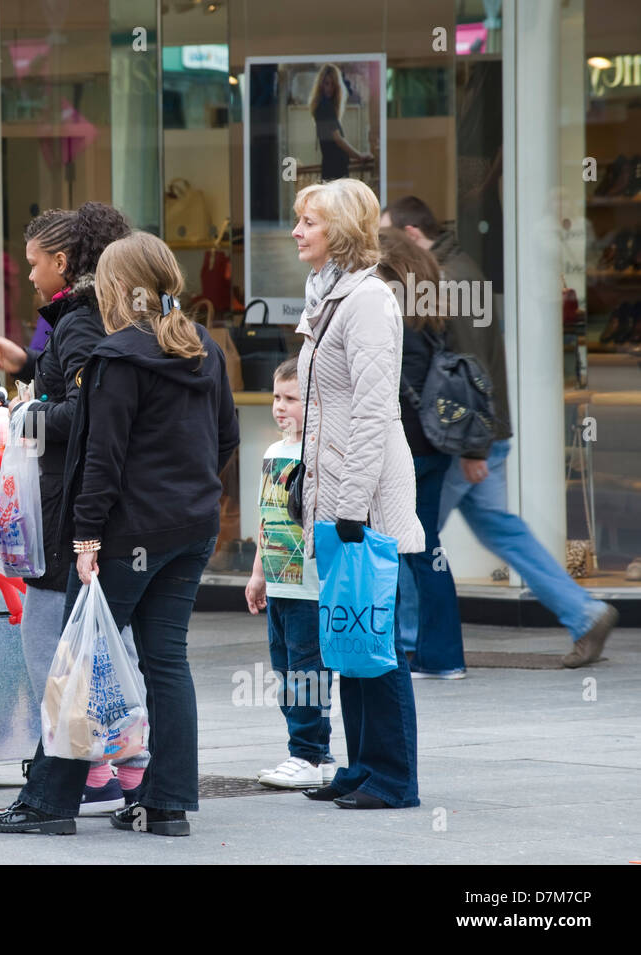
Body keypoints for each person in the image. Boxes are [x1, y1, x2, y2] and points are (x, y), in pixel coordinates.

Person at [0, 231, 240, 836]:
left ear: (119, 289)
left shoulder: (117, 357)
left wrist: (86, 539)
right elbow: (225, 437)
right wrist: (194, 486)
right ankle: (165, 803)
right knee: (166, 660)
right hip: (191, 526)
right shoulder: (202, 345)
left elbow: (102, 459)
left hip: (127, 534)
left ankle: (49, 802)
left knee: (78, 659)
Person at [383, 196, 618, 667]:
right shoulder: (452, 269)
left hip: (462, 440)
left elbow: (465, 373)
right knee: (499, 532)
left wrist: (476, 446)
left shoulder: (445, 279)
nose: (379, 251)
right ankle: (584, 612)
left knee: (410, 539)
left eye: (385, 238)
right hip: (473, 437)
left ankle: (409, 642)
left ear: (409, 235)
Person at [0, 202, 143, 812]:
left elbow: (85, 412)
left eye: (34, 263)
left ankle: (72, 783)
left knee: (54, 647)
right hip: (90, 505)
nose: (27, 276)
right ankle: (114, 771)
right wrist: (27, 369)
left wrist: (23, 417)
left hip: (69, 507)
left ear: (64, 262)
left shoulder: (77, 321)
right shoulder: (99, 318)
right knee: (104, 644)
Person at [291, 178, 425, 810]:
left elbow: (373, 410)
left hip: (365, 498)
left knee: (378, 639)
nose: (296, 232)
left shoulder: (367, 300)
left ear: (340, 230)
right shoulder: (328, 296)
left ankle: (393, 777)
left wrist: (347, 506)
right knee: (348, 629)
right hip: (337, 492)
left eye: (309, 222)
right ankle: (361, 764)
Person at [378, 227, 467, 678]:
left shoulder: (386, 311)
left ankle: (407, 649)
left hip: (403, 449)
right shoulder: (432, 312)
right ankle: (441, 654)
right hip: (436, 443)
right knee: (426, 548)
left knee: (398, 551)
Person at [245, 357, 336, 789]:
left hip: (311, 588)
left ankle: (309, 755)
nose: (280, 407)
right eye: (276, 397)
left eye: (292, 399)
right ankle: (309, 751)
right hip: (280, 585)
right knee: (285, 671)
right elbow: (266, 520)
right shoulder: (272, 452)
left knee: (306, 673)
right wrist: (258, 573)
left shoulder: (317, 454)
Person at [308, 63, 371, 183]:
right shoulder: (325, 106)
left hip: (333, 169)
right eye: (326, 83)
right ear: (321, 85)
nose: (329, 88)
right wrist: (359, 156)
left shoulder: (322, 106)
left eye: (332, 84)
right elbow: (338, 139)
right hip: (335, 170)